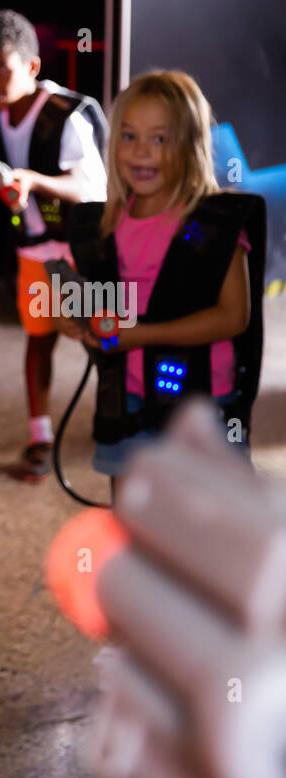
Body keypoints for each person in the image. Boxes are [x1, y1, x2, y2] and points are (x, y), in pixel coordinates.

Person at [56, 70, 264, 500]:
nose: (141, 152)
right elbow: (109, 301)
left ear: (189, 144)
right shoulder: (106, 225)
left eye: (160, 138)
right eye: (129, 136)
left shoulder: (211, 226)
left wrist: (142, 335)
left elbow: (233, 316)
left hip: (200, 404)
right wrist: (78, 321)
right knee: (135, 526)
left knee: (203, 531)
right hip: (128, 397)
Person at [0, 9, 109, 481]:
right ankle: (40, 435)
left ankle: (119, 420)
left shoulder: (68, 114)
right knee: (38, 338)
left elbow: (90, 189)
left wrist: (34, 180)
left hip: (81, 248)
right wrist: (0, 183)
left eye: (2, 70)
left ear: (31, 67)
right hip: (31, 248)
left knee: (104, 340)